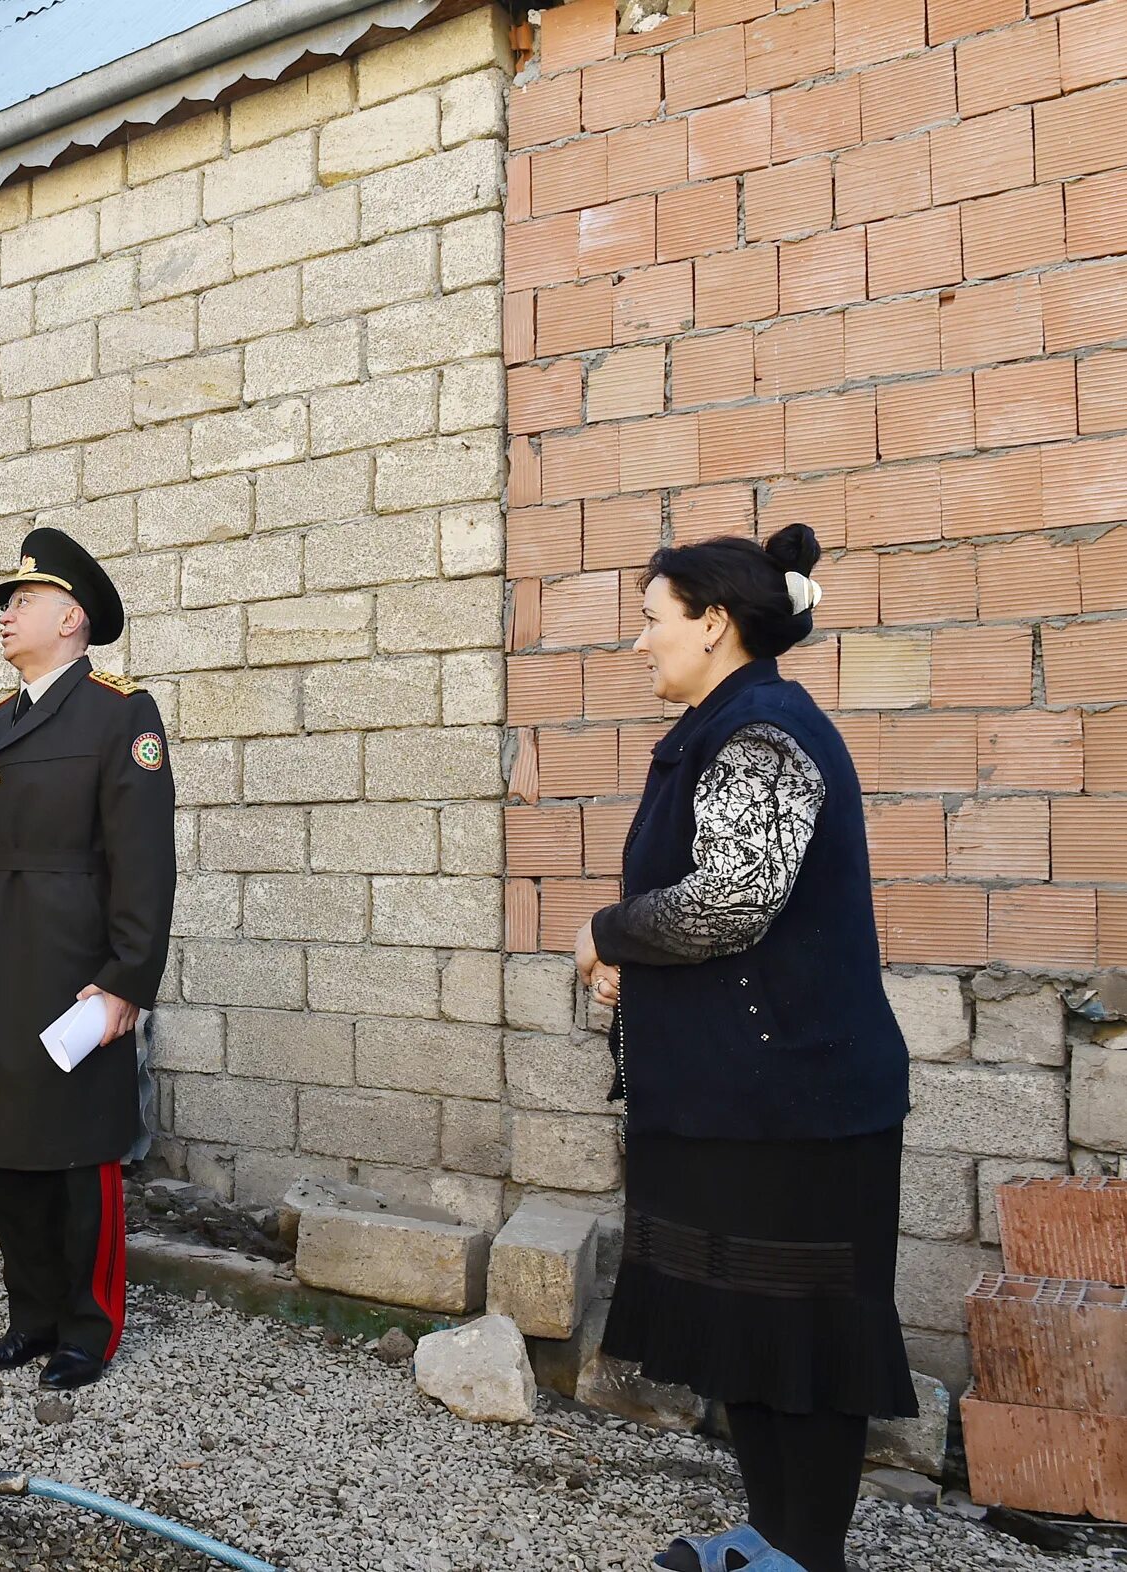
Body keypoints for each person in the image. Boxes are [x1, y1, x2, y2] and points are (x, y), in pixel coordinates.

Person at [575, 523, 913, 1572]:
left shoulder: (761, 728)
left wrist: (606, 930)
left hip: (794, 1110)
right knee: (749, 1333)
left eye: (651, 621)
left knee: (803, 1341)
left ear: (713, 622)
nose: (640, 646)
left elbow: (731, 900)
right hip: (734, 1102)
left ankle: (807, 1553)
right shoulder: (722, 725)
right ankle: (772, 1536)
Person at [0, 526, 177, 1392]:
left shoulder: (121, 713)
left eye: (23, 601)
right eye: (7, 604)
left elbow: (145, 862)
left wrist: (126, 980)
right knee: (8, 1153)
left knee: (80, 1157)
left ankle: (89, 1326)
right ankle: (29, 1317)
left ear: (71, 618)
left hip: (77, 973)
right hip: (3, 968)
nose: (6, 616)